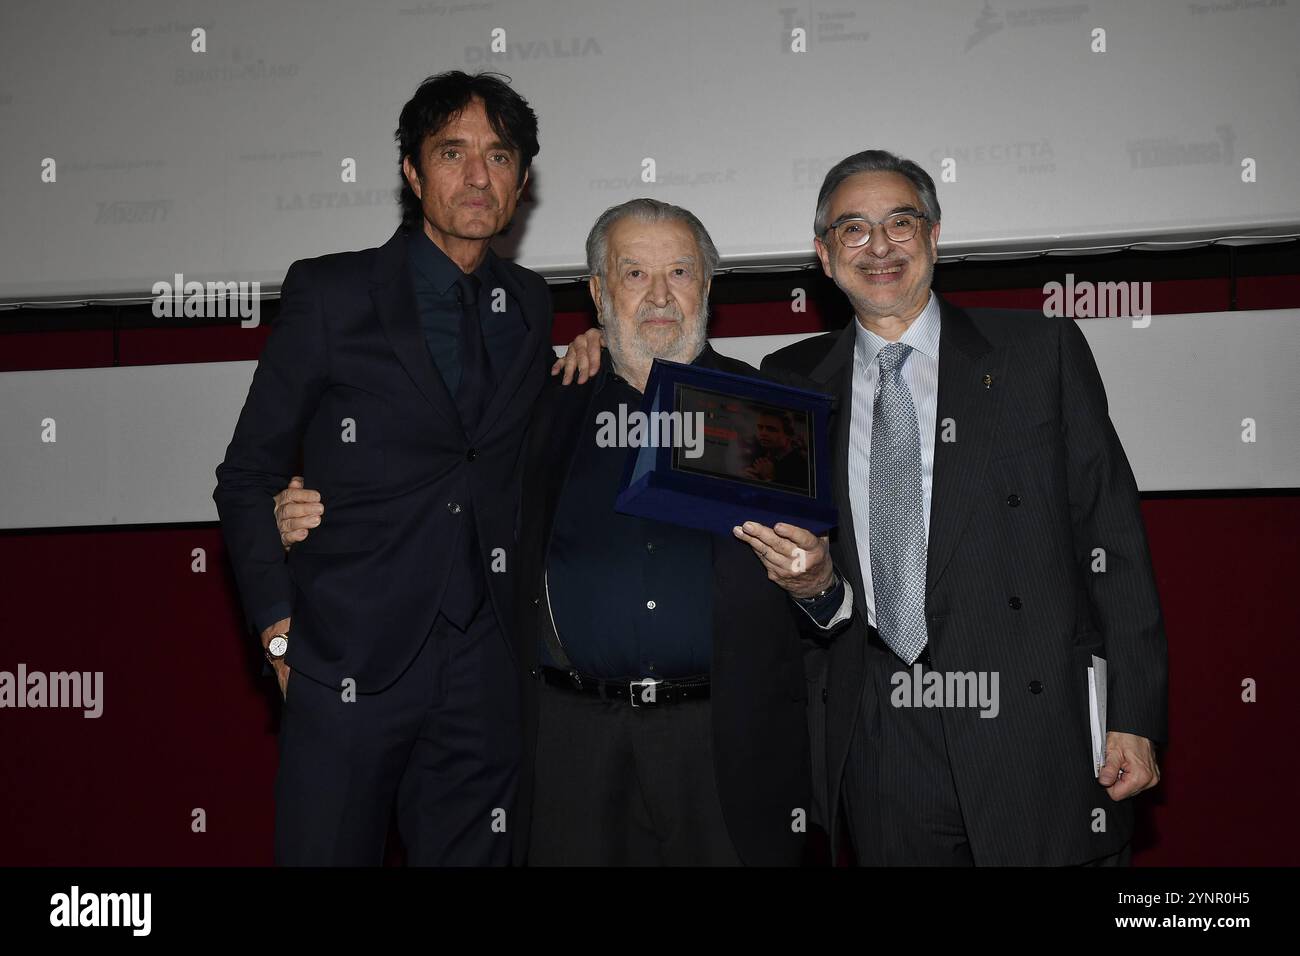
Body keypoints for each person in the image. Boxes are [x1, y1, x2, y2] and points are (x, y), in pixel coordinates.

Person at [279, 199, 852, 865]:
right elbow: (429, 482)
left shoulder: (771, 417)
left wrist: (818, 585)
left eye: (681, 273)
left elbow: (831, 602)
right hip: (571, 752)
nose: (661, 296)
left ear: (708, 286)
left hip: (727, 749)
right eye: (635, 274)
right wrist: (315, 512)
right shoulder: (538, 408)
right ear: (598, 291)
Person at [758, 150, 1166, 865]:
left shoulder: (1041, 351)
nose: (879, 247)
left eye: (900, 223)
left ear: (935, 236)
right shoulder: (789, 380)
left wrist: (1134, 715)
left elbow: (1113, 539)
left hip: (1032, 724)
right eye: (853, 230)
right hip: (883, 730)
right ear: (823, 255)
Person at [214, 70, 559, 866]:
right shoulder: (333, 293)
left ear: (522, 180)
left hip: (488, 668)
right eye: (452, 153)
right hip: (348, 661)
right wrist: (278, 640)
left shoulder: (531, 304)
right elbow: (246, 476)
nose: (478, 177)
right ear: (411, 171)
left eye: (500, 156)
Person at [746, 409, 810, 490]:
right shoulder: (760, 455)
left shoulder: (801, 466)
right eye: (760, 428)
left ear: (788, 434)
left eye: (771, 429)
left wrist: (769, 479)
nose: (763, 433)